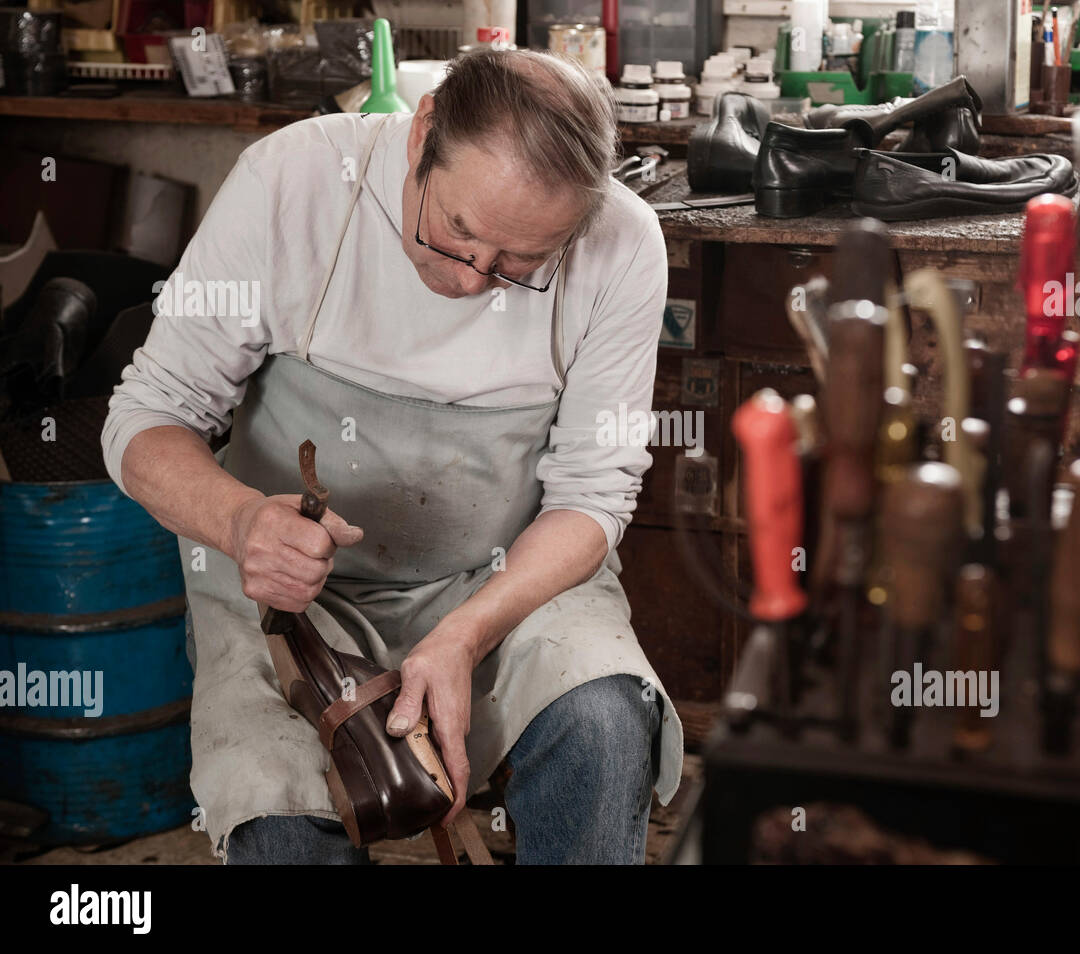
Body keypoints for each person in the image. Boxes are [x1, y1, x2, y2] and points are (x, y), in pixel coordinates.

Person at [102, 48, 682, 864]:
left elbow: (593, 497)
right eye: (457, 232)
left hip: (502, 580)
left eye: (522, 264)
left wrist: (468, 633)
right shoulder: (290, 183)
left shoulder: (623, 242)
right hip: (287, 594)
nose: (476, 281)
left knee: (604, 726)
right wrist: (239, 524)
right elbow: (146, 418)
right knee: (283, 829)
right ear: (423, 134)